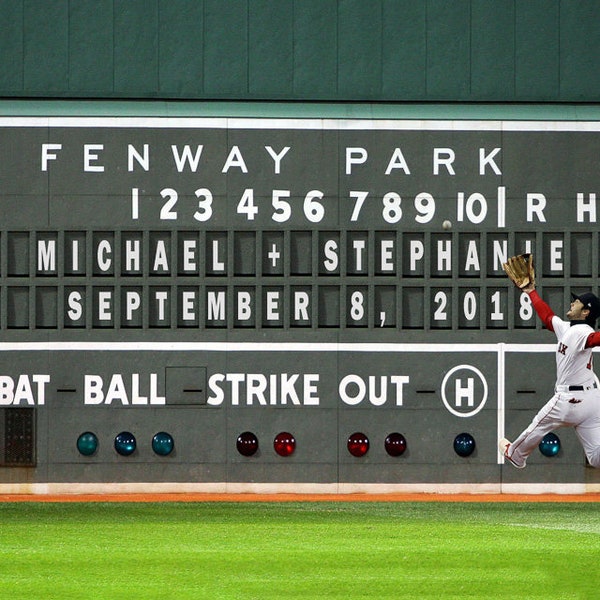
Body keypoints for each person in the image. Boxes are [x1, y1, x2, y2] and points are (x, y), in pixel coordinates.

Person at [499, 264, 600, 468]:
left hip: (569, 400)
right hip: (592, 401)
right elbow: (547, 317)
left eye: (577, 302)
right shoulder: (568, 329)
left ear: (586, 312)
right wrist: (531, 292)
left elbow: (594, 339)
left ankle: (516, 454)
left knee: (537, 424)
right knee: (597, 457)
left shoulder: (581, 332)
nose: (573, 303)